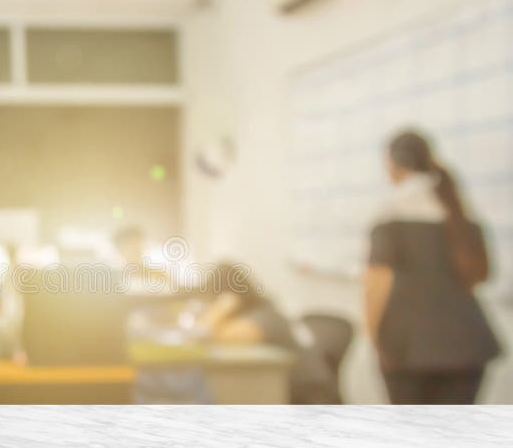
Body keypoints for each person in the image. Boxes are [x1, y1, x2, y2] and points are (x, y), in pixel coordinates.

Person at [364, 129, 499, 404]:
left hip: (408, 348)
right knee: (454, 440)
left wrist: (374, 337)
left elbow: (378, 280)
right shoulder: (461, 209)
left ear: (392, 164)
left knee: (412, 439)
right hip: (467, 346)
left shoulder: (391, 209)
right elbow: (480, 275)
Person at [198, 263, 345, 404]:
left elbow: (208, 332)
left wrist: (224, 305)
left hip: (311, 400)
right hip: (290, 394)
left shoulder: (263, 316)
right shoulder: (259, 312)